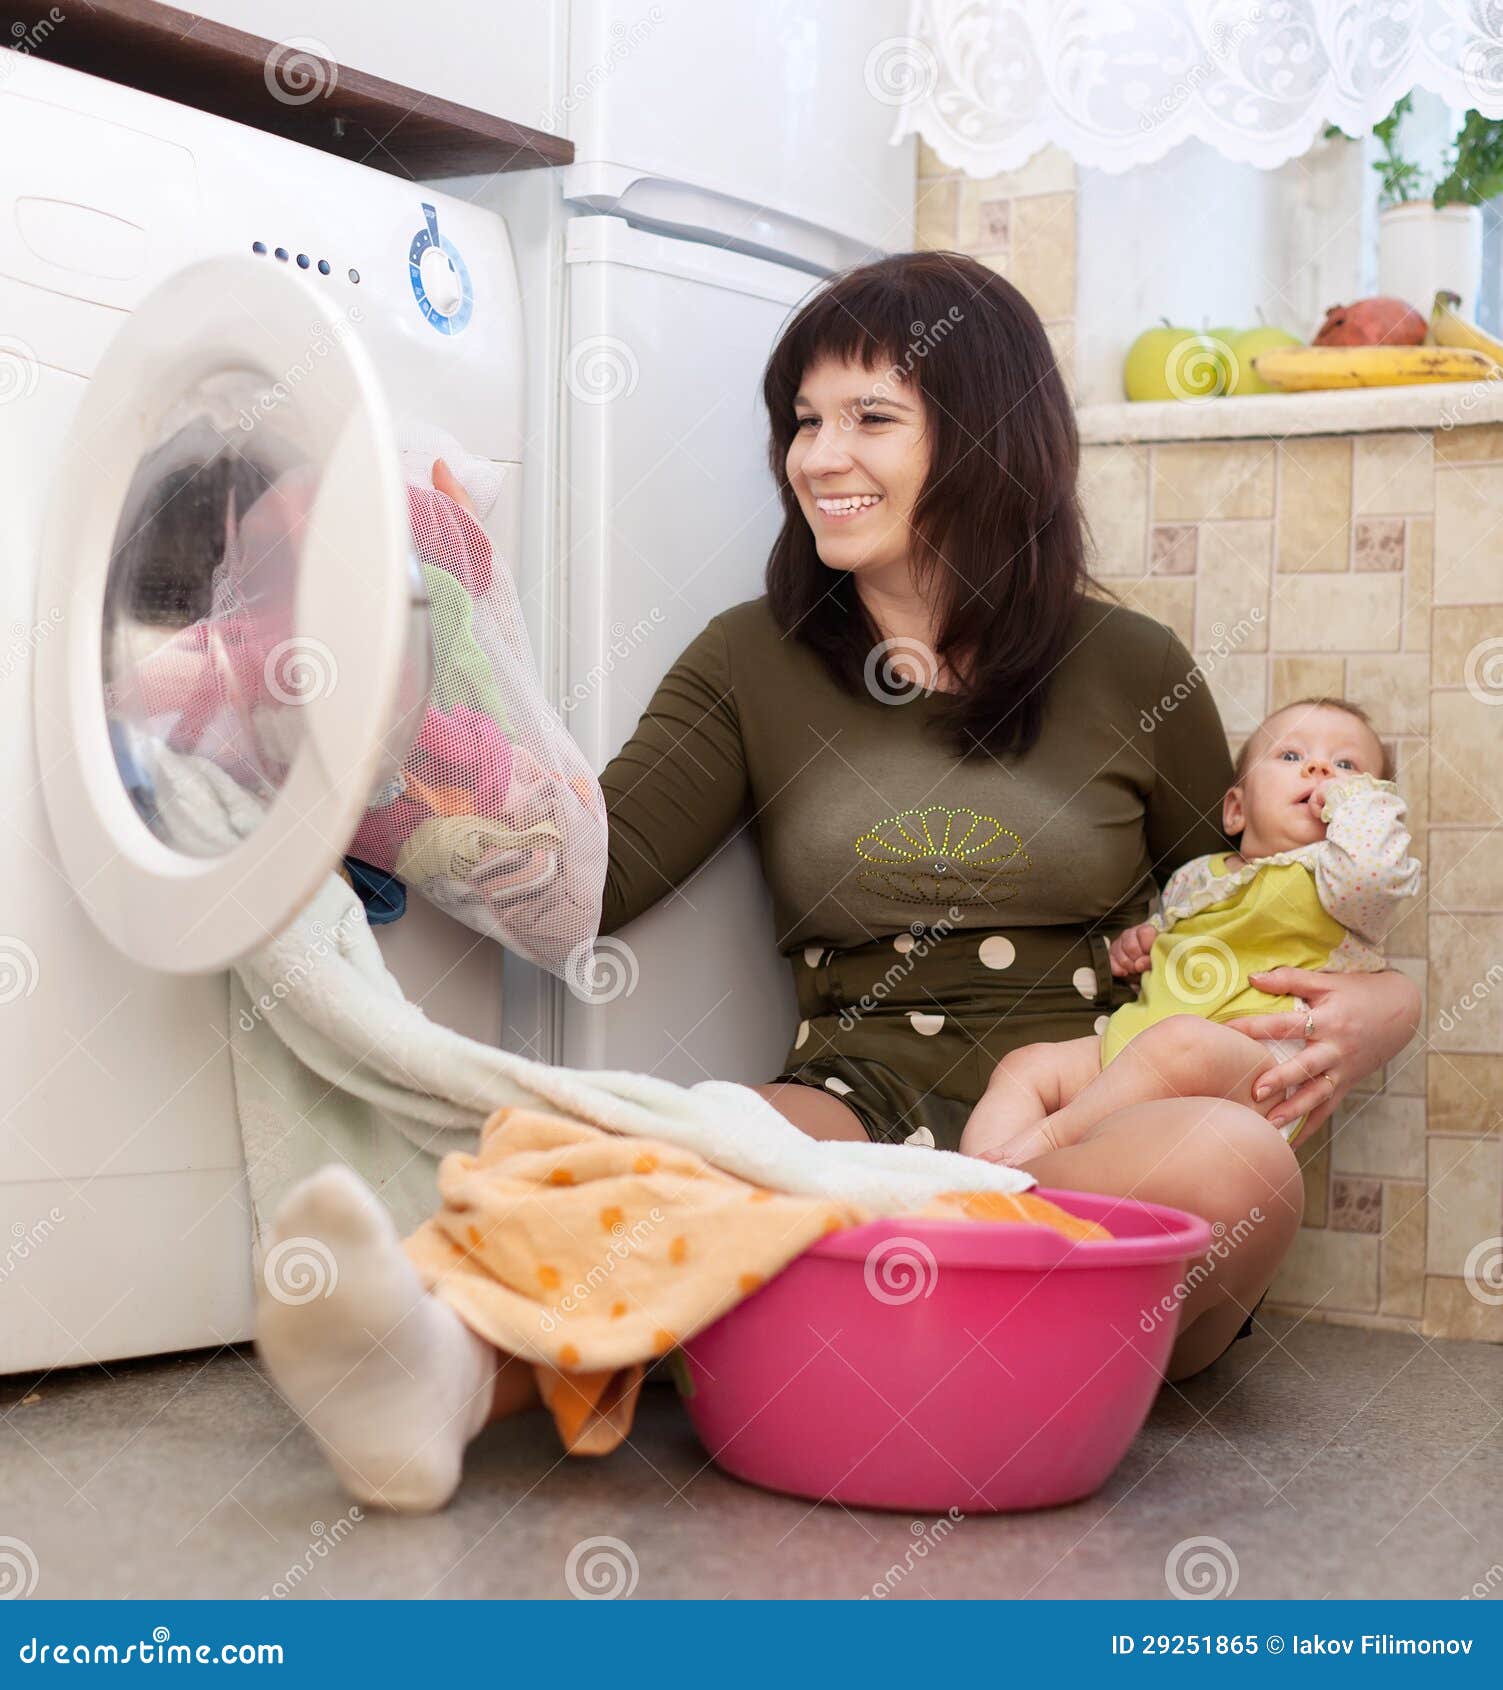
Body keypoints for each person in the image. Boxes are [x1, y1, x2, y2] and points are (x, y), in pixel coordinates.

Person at [256, 252, 1422, 1516]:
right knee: (672, 1151)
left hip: (1086, 1123)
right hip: (855, 1102)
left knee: (1239, 1164)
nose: (818, 455)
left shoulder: (1131, 664)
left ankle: (848, 1300)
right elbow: (582, 875)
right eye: (803, 420)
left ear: (987, 440)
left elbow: (1245, 896)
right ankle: (451, 1375)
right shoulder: (750, 658)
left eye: (871, 417)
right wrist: (398, 655)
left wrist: (1382, 1005)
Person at [958, 699, 1421, 1169]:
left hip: (1254, 1071)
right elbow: (1180, 947)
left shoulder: (1343, 881)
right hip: (1140, 1048)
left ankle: (1043, 1145)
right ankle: (971, 1192)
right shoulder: (1198, 875)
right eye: (1290, 756)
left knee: (1183, 1042)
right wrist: (1143, 948)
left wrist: (1354, 802)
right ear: (1236, 810)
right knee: (1026, 1067)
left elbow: (1377, 869)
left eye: (1346, 765)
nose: (1320, 769)